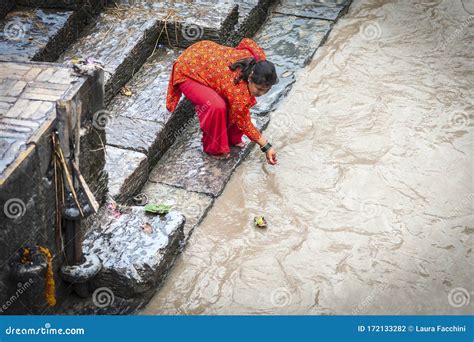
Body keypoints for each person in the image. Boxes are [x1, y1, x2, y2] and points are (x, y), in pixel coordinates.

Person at [166, 38, 279, 164]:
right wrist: (266, 146)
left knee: (236, 107)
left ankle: (232, 139)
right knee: (216, 106)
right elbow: (244, 122)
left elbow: (247, 43)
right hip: (188, 69)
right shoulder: (237, 91)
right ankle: (213, 148)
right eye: (258, 89)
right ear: (250, 77)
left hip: (205, 53)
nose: (261, 94)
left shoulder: (258, 60)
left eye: (266, 90)